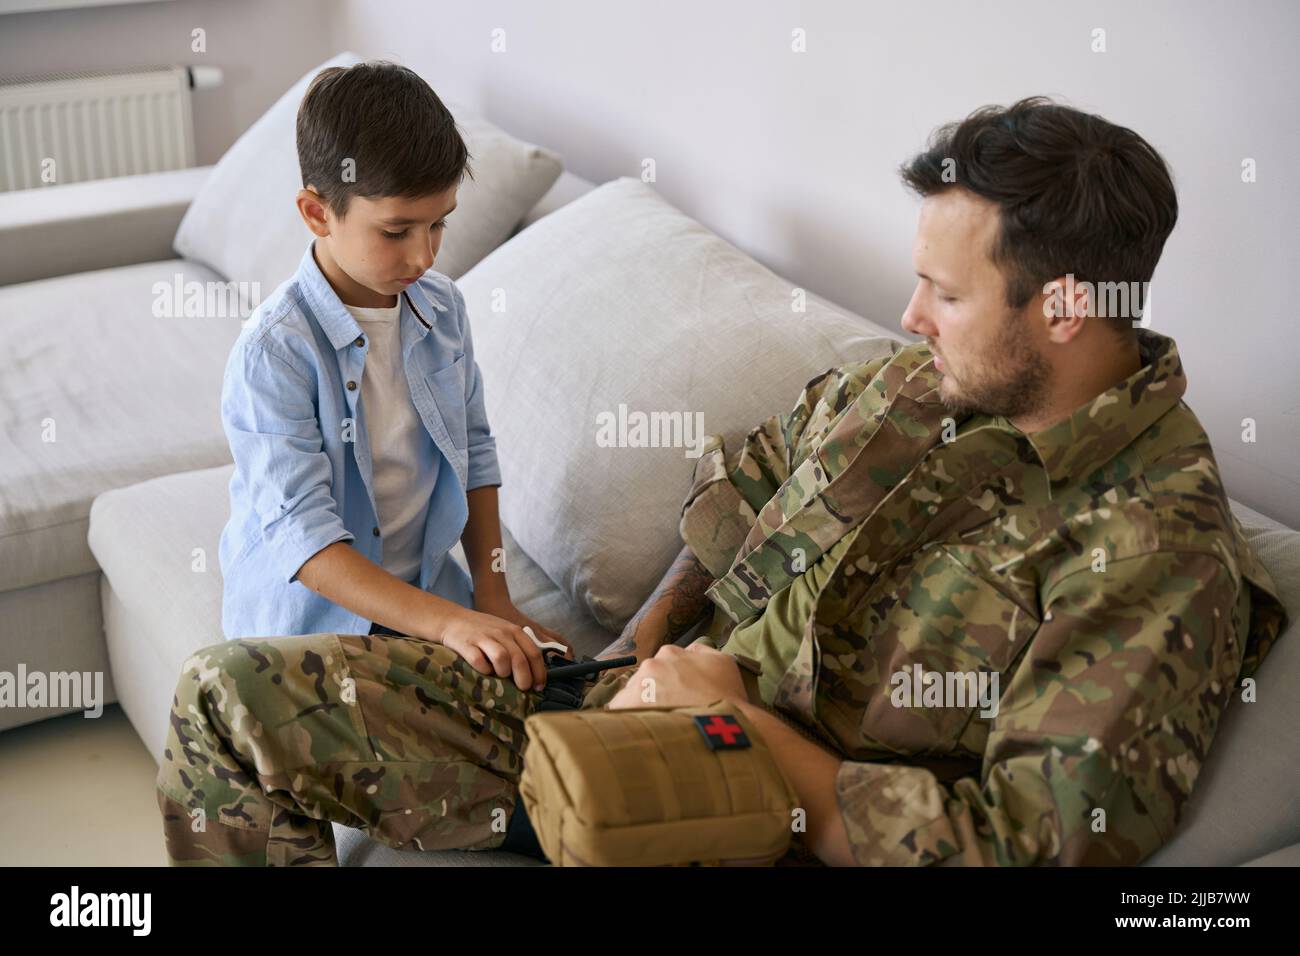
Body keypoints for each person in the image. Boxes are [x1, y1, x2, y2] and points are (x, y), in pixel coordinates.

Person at [157, 96, 1286, 867]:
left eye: (945, 294)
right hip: (628, 707)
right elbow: (744, 490)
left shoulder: (1151, 550)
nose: (908, 319)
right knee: (228, 699)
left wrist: (736, 724)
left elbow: (1023, 841)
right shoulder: (899, 390)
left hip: (746, 817)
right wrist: (641, 649)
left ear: (1066, 308)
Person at [216, 60, 566, 694]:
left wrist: (492, 597)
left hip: (427, 604)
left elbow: (475, 453)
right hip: (310, 635)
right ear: (317, 213)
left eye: (439, 224)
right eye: (397, 231)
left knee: (554, 702)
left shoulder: (443, 309)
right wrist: (451, 625)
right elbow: (308, 543)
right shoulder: (275, 353)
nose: (425, 255)